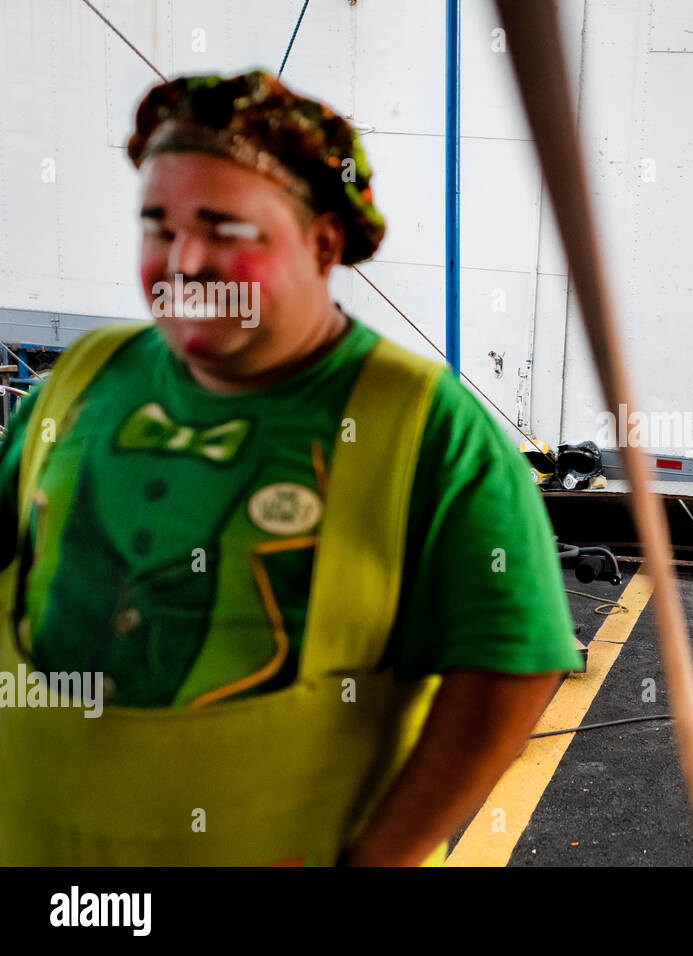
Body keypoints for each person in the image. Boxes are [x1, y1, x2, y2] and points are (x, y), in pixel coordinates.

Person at [0, 70, 581, 866]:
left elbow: (511, 669)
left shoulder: (425, 427)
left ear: (323, 243)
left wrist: (381, 858)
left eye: (226, 230)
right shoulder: (82, 376)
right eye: (159, 227)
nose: (186, 261)